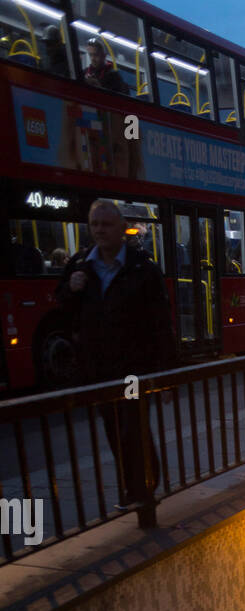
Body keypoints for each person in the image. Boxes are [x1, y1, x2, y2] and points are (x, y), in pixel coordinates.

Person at [55, 199, 176, 510]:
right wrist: (71, 288)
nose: (99, 231)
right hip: (98, 369)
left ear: (122, 229)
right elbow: (63, 310)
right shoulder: (81, 265)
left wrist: (167, 373)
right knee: (113, 428)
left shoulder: (142, 267)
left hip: (134, 368)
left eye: (106, 225)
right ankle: (137, 486)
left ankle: (141, 490)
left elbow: (161, 321)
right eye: (94, 224)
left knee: (131, 424)